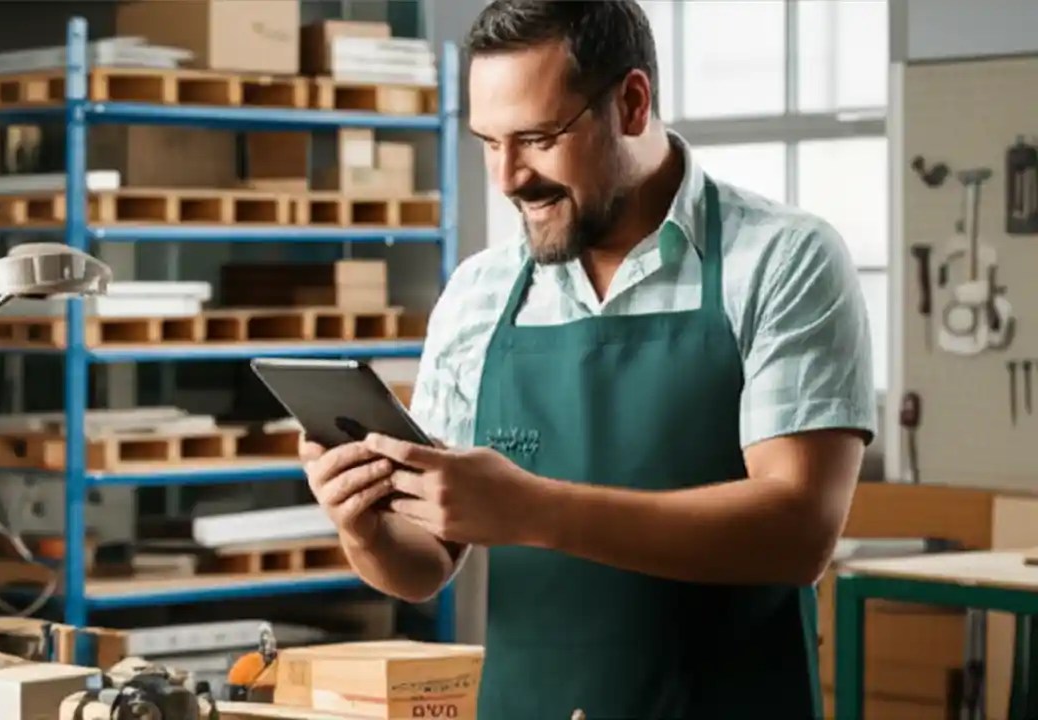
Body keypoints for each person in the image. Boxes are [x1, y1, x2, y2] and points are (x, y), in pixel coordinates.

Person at [297, 1, 876, 717]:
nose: (508, 177)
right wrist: (362, 527)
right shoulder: (478, 293)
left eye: (538, 138)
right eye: (489, 142)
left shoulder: (783, 261)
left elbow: (798, 532)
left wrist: (531, 509)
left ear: (631, 103)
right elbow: (423, 566)